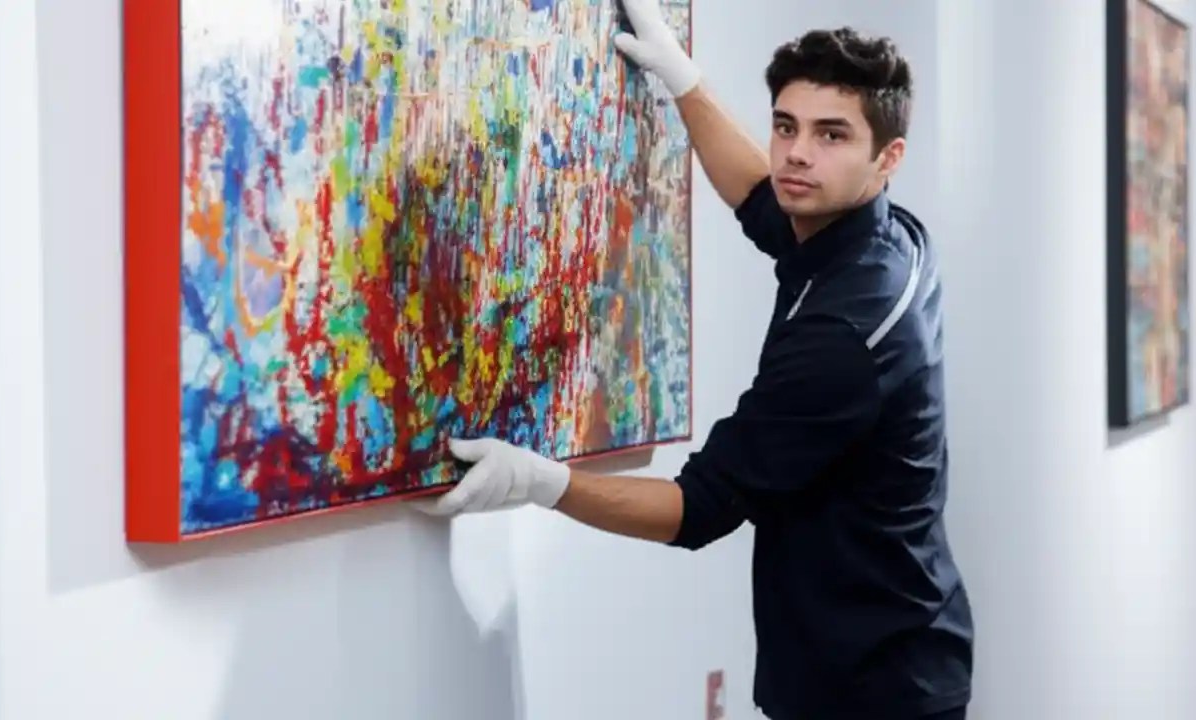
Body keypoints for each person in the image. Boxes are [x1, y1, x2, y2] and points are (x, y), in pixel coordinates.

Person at [413, 1, 974, 717]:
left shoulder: (846, 335)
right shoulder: (873, 232)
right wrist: (685, 82)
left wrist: (541, 481)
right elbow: (760, 198)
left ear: (888, 157)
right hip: (886, 647)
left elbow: (697, 508)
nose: (797, 154)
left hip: (872, 688)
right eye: (785, 126)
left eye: (831, 135)